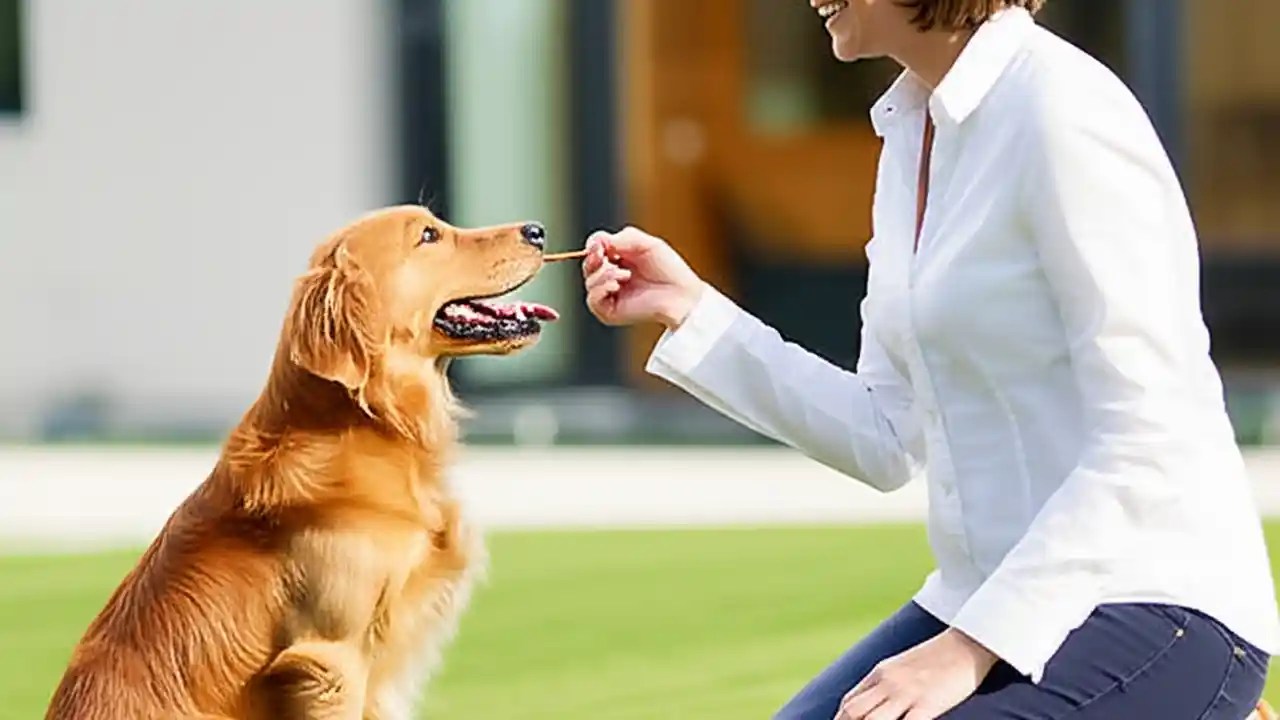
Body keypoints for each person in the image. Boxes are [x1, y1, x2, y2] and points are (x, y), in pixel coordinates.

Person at [580, 1, 1280, 718]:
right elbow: (887, 433)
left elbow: (1148, 433)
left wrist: (968, 647)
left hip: (1160, 603)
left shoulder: (1066, 112)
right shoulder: (914, 130)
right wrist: (692, 311)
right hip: (987, 598)